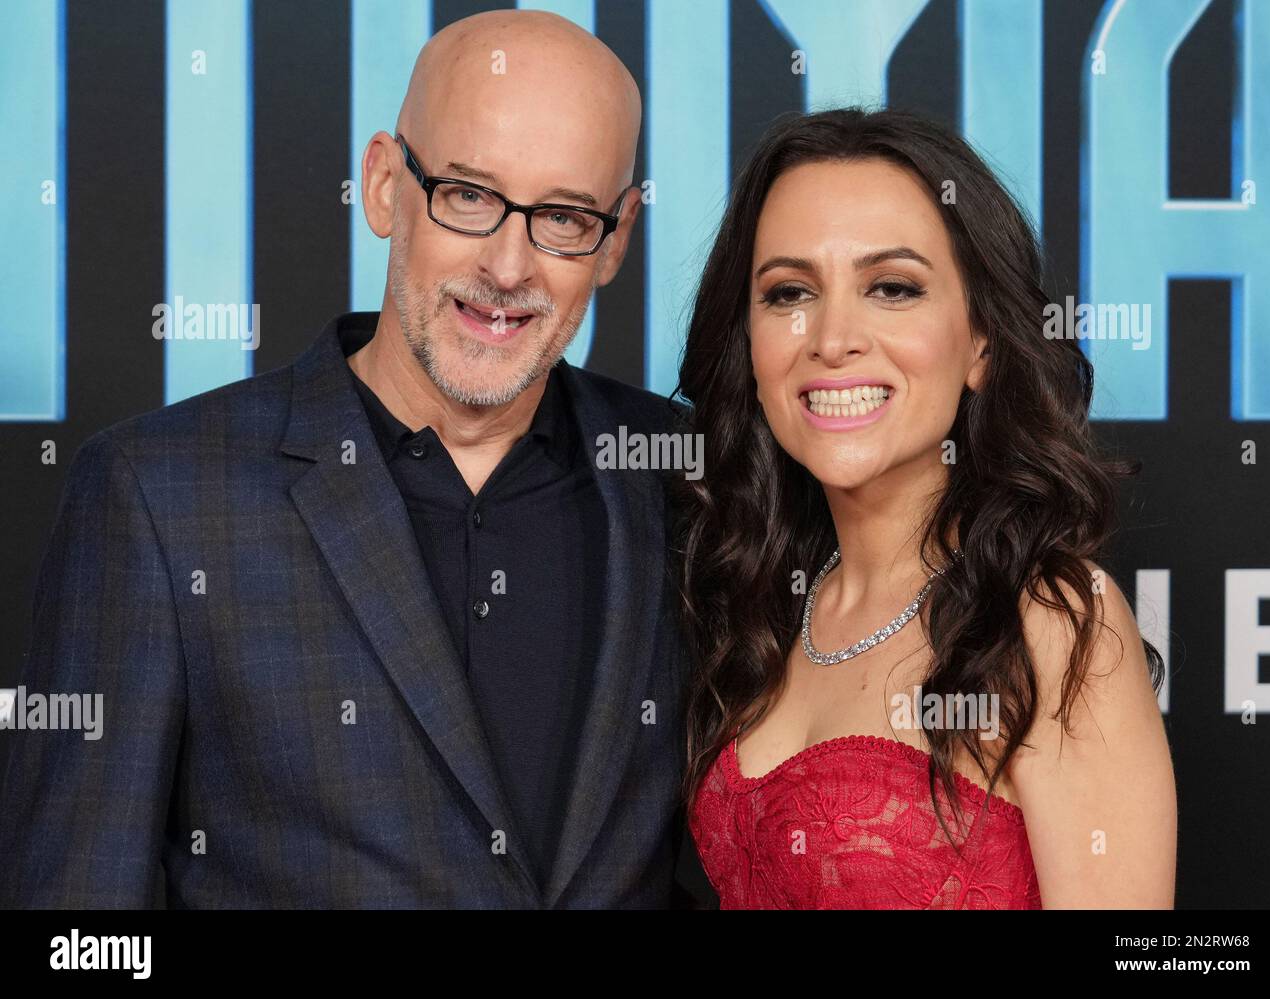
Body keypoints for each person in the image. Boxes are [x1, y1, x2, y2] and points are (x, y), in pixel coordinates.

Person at [0, 9, 689, 908]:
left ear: (617, 239)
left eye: (563, 216)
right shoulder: (159, 496)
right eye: (469, 194)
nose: (509, 265)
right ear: (382, 186)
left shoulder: (686, 483)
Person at [676, 107, 1177, 909]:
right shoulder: (761, 611)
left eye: (893, 287)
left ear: (981, 342)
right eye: (789, 292)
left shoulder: (1048, 619)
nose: (832, 337)